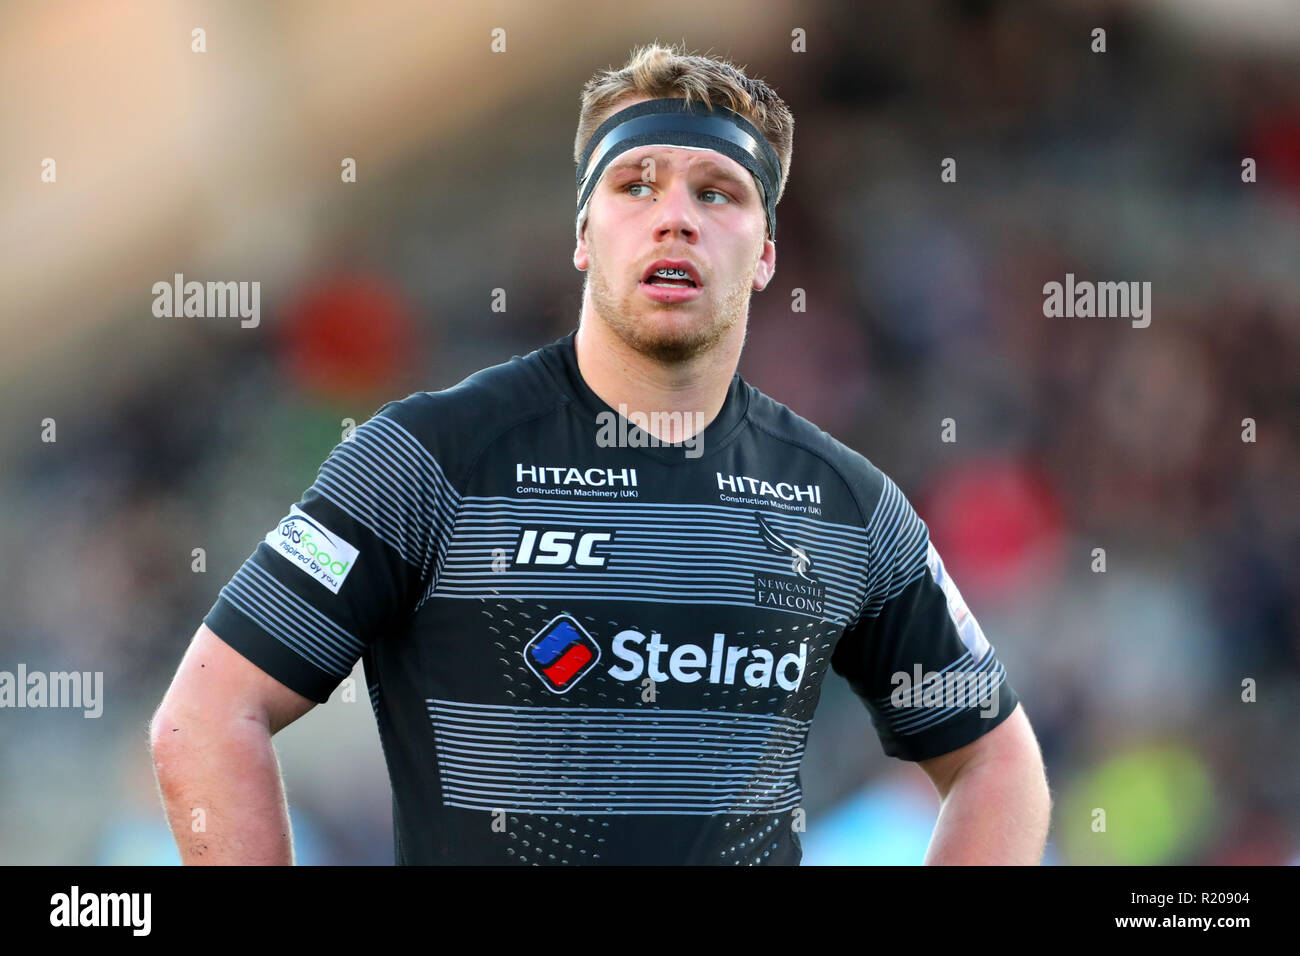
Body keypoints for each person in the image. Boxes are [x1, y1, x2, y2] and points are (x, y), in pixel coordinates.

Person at [150, 41, 1051, 865]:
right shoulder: (427, 461)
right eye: (635, 185)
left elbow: (997, 764)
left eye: (717, 193)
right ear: (583, 237)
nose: (675, 220)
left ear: (767, 251)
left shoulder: (846, 504)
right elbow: (206, 718)